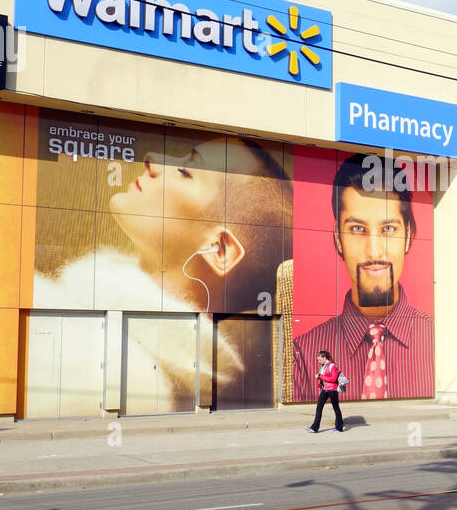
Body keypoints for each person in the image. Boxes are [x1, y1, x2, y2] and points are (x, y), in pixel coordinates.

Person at [34, 133, 293, 411]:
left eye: (184, 171)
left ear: (218, 249)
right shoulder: (105, 334)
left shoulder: (114, 374)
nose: (152, 160)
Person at [293, 153, 434, 401]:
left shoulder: (436, 340)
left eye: (388, 229)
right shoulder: (303, 354)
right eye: (358, 229)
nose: (374, 251)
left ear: (409, 235)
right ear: (338, 238)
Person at [306, 350, 345, 433]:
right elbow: (325, 377)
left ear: (324, 358)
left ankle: (339, 427)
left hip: (332, 390)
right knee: (319, 407)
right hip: (325, 389)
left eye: (320, 360)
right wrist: (321, 381)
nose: (319, 362)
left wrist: (321, 377)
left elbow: (333, 379)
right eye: (318, 360)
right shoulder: (323, 366)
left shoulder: (332, 366)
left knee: (336, 407)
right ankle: (314, 427)